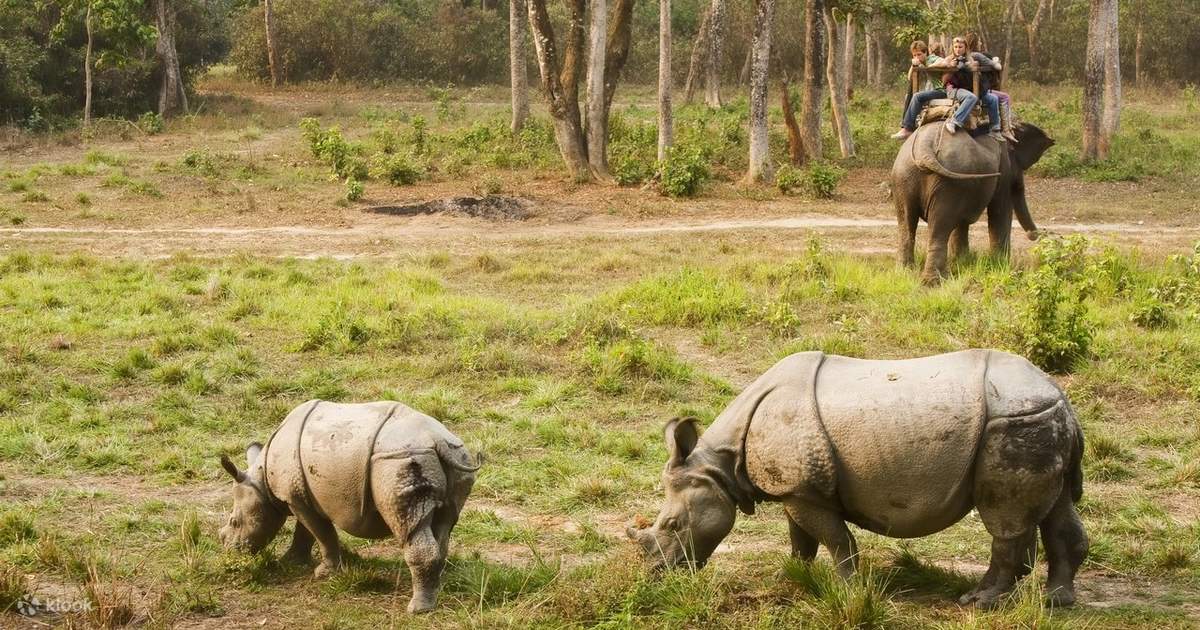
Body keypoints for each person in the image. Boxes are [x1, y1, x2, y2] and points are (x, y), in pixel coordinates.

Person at [941, 36, 1002, 140]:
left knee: (993, 99)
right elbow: (943, 77)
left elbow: (979, 73)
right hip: (953, 89)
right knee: (972, 97)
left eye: (960, 47)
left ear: (965, 48)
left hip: (969, 89)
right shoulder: (949, 59)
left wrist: (972, 67)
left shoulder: (971, 58)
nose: (957, 49)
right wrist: (950, 66)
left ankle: (995, 129)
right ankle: (954, 121)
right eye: (955, 47)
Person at [965, 32, 1018, 143]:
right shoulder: (977, 55)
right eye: (979, 41)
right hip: (977, 90)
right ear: (974, 42)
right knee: (1005, 97)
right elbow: (997, 67)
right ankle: (1006, 129)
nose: (980, 43)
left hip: (965, 89)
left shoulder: (965, 56)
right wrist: (995, 61)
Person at [890, 41, 946, 140]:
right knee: (909, 95)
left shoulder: (931, 58)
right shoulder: (921, 63)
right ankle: (909, 125)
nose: (917, 57)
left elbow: (943, 61)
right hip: (934, 90)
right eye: (915, 55)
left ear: (925, 53)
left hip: (942, 90)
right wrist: (913, 66)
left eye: (919, 54)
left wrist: (929, 67)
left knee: (917, 96)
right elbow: (909, 77)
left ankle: (908, 128)